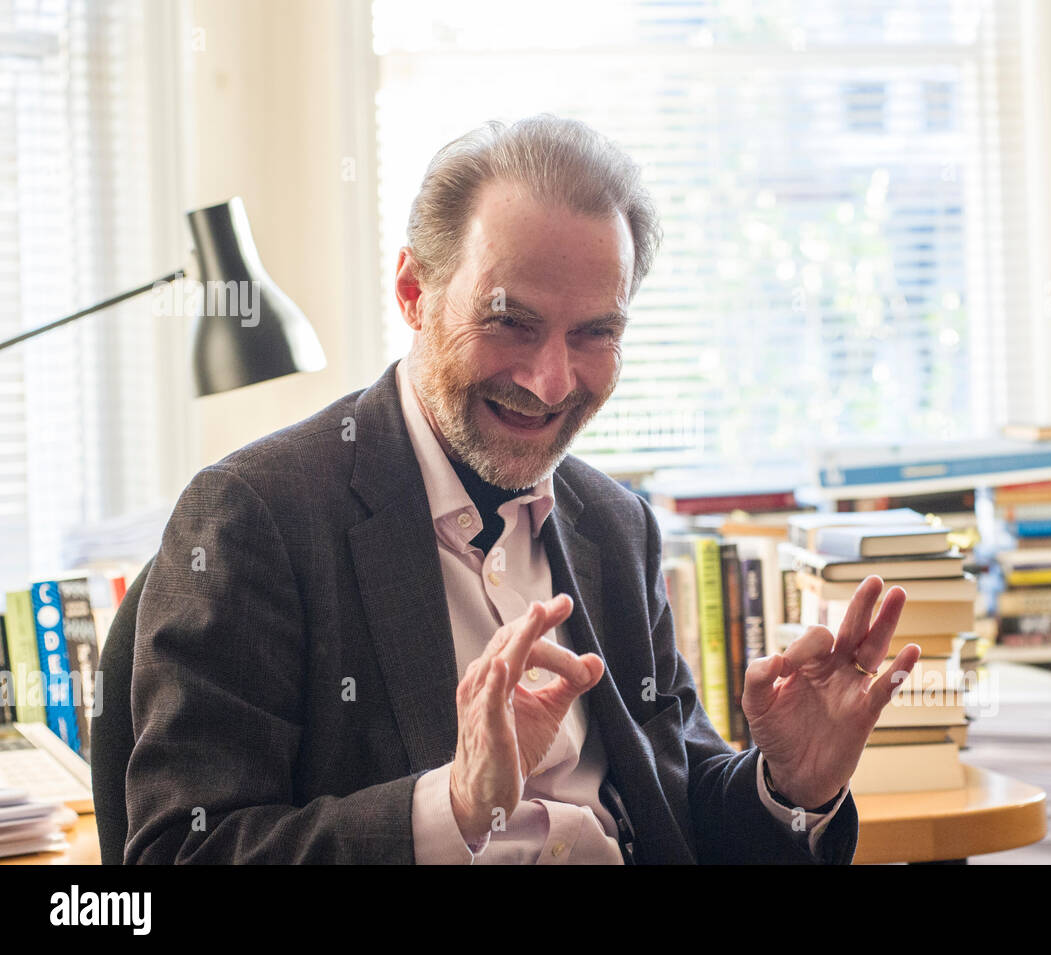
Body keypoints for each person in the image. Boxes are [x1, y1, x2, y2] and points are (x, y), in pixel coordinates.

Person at [125, 115, 920, 864]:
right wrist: (455, 806)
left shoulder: (614, 524)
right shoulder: (255, 517)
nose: (550, 381)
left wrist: (791, 788)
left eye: (594, 333)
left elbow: (677, 807)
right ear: (413, 293)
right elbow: (181, 849)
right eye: (511, 320)